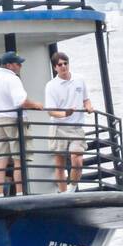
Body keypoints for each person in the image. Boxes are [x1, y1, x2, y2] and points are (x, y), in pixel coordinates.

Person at [0, 51, 45, 197]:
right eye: (18, 63)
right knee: (19, 160)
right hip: (13, 120)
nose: (20, 66)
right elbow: (21, 102)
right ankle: (20, 193)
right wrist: (36, 105)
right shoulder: (13, 79)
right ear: (9, 65)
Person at [45, 51, 94, 193]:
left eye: (65, 63)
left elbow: (86, 99)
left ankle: (71, 190)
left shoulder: (79, 79)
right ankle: (63, 193)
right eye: (60, 64)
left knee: (77, 160)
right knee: (59, 164)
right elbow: (50, 111)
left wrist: (88, 107)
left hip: (76, 127)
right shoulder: (51, 85)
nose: (63, 66)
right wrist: (65, 113)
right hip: (59, 126)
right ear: (55, 67)